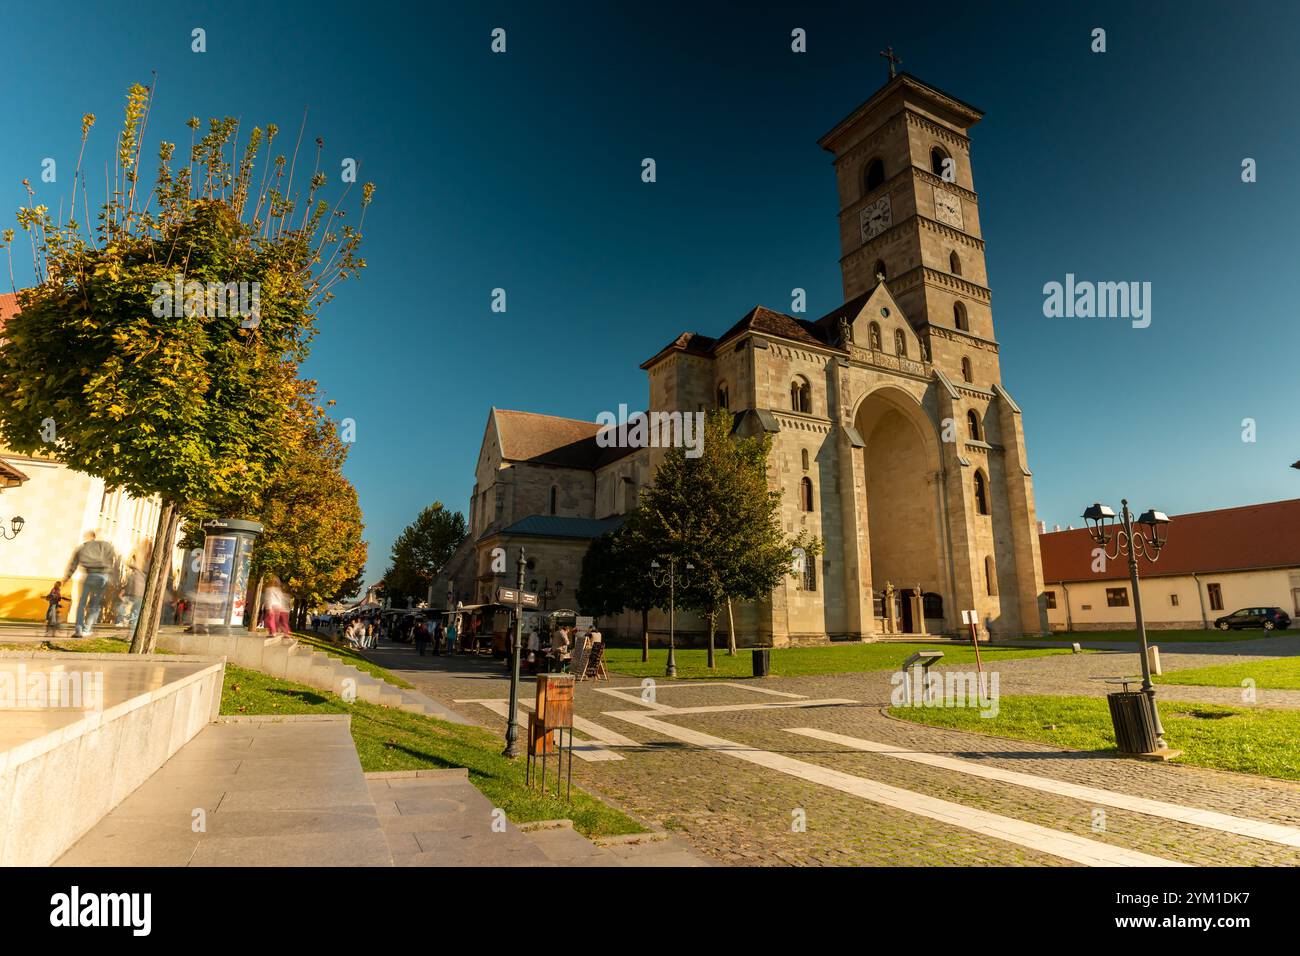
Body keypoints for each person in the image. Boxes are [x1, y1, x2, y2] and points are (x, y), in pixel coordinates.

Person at [64, 531, 119, 639]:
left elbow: (73, 564)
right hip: (102, 577)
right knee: (95, 605)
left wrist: (66, 578)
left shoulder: (82, 548)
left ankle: (78, 630)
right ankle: (87, 629)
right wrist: (114, 579)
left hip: (89, 576)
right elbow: (113, 561)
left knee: (81, 604)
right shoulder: (106, 546)